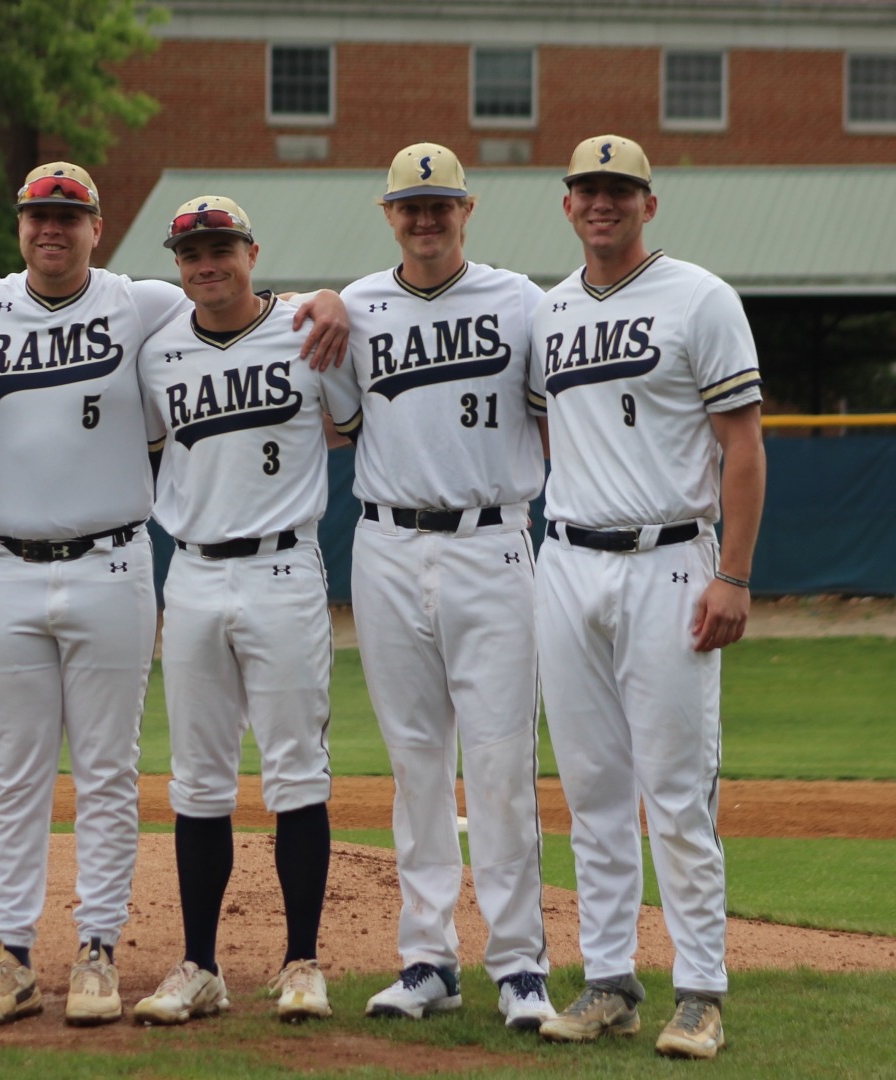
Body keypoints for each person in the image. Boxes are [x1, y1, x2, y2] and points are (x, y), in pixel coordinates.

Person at [0, 164, 348, 1027]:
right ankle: (18, 956)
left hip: (157, 564)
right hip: (38, 567)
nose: (205, 263)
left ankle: (117, 949)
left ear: (97, 226)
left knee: (129, 770)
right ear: (20, 225)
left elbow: (322, 375)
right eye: (38, 215)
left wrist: (330, 296)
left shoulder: (141, 307)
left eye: (70, 216)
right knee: (31, 776)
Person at [530, 135, 765, 1061]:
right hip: (567, 561)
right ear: (567, 203)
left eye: (620, 190)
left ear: (648, 204)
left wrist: (732, 574)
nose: (603, 203)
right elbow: (549, 432)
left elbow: (742, 444)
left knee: (676, 791)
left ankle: (700, 991)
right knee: (592, 789)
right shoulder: (548, 311)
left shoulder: (699, 298)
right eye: (589, 189)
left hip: (669, 561)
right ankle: (609, 981)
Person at [339, 144, 557, 1030]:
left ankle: (521, 964)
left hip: (491, 541)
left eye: (441, 205)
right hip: (387, 545)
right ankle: (427, 957)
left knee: (502, 763)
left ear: (468, 210)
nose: (425, 219)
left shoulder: (522, 302)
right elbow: (338, 420)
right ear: (388, 214)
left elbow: (557, 415)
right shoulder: (355, 306)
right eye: (410, 206)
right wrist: (316, 301)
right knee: (415, 761)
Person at [128, 197, 361, 1026]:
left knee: (296, 770)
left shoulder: (305, 330)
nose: (207, 263)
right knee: (198, 778)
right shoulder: (158, 353)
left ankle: (303, 962)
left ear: (252, 254)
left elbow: (349, 425)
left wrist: (326, 298)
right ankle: (200, 965)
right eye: (192, 252)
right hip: (191, 573)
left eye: (221, 247)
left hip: (282, 567)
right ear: (177, 263)